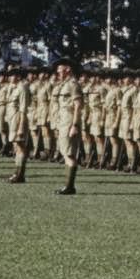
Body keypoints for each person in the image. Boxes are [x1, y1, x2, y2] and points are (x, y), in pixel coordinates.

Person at [53, 58, 85, 195]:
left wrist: (75, 125)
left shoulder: (73, 84)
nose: (58, 73)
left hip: (69, 121)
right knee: (65, 152)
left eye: (60, 70)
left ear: (68, 69)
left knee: (69, 153)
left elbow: (78, 106)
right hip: (62, 120)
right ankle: (67, 185)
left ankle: (70, 186)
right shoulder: (63, 84)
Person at [7, 70, 33, 183]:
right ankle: (16, 172)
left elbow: (23, 108)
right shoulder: (16, 87)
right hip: (13, 119)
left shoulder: (22, 87)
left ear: (18, 76)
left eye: (12, 75)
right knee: (16, 146)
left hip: (18, 119)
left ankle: (20, 174)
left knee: (21, 146)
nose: (10, 78)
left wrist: (22, 126)